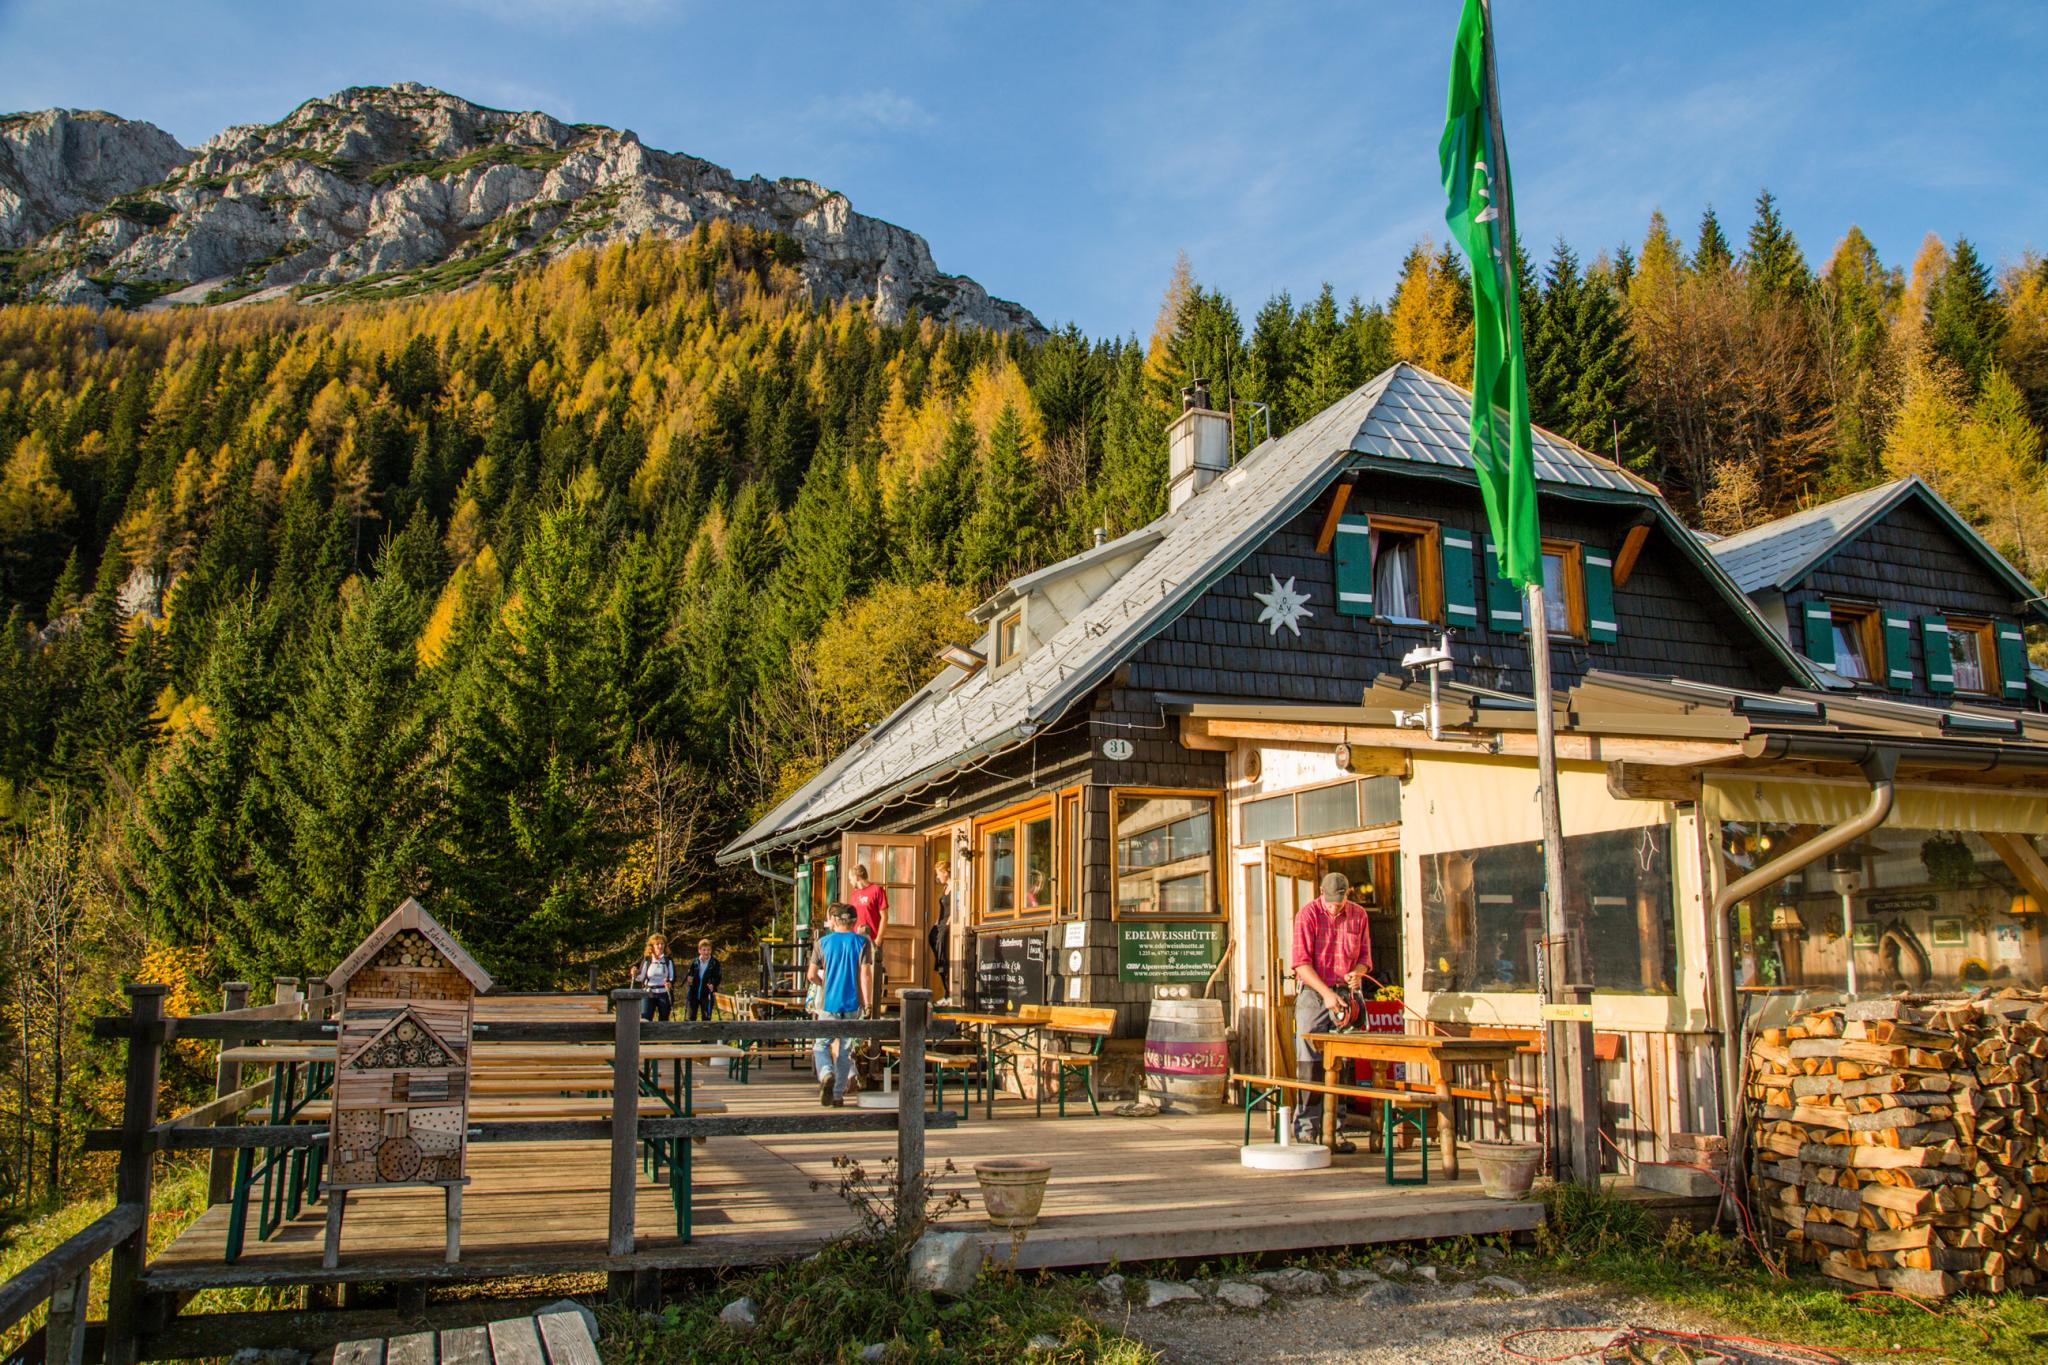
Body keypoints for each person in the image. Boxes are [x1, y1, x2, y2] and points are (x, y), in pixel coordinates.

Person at [1291, 871, 1372, 1149]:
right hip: (1314, 994)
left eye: (1339, 901)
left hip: (1344, 992)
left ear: (1347, 894)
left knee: (1342, 1063)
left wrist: (1357, 973)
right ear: (1321, 894)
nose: (1334, 906)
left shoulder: (1359, 915)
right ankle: (1306, 1128)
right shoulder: (1308, 915)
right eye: (1330, 901)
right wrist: (1326, 994)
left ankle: (1335, 1128)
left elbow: (1364, 958)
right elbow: (1301, 963)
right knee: (1310, 1062)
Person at [807, 904, 873, 1105]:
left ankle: (826, 1072)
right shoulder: (862, 942)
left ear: (835, 921)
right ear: (854, 922)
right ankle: (837, 1095)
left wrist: (824, 984)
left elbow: (811, 975)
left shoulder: (822, 943)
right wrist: (868, 1003)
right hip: (852, 1004)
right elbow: (866, 974)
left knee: (821, 1044)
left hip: (829, 1003)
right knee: (845, 1050)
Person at [847, 863, 889, 1011]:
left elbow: (884, 916)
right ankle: (860, 1003)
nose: (850, 881)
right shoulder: (854, 894)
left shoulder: (876, 890)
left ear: (857, 876)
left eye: (850, 878)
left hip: (872, 937)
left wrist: (879, 937)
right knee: (858, 970)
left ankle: (872, 1004)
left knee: (871, 970)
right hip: (856, 937)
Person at [633, 933, 678, 1022]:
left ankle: (663, 1036)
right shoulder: (648, 959)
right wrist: (634, 974)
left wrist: (670, 983)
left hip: (664, 993)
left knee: (664, 1019)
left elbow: (673, 977)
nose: (660, 946)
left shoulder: (667, 960)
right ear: (652, 946)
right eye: (657, 944)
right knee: (645, 1018)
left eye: (662, 944)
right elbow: (641, 977)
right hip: (648, 993)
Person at [927, 862, 953, 997]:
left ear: (945, 872)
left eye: (938, 873)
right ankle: (945, 987)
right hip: (941, 923)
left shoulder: (956, 887)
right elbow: (942, 907)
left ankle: (949, 992)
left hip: (948, 924)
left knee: (944, 954)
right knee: (932, 937)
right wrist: (937, 921)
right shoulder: (945, 888)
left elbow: (958, 907)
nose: (938, 877)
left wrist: (950, 921)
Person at [685, 937, 722, 1021]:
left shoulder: (714, 962)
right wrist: (689, 980)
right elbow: (690, 975)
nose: (706, 952)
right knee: (690, 1018)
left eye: (708, 950)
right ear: (699, 950)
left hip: (707, 994)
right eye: (704, 950)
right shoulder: (694, 962)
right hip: (694, 993)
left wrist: (713, 984)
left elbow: (718, 977)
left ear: (711, 950)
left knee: (706, 1018)